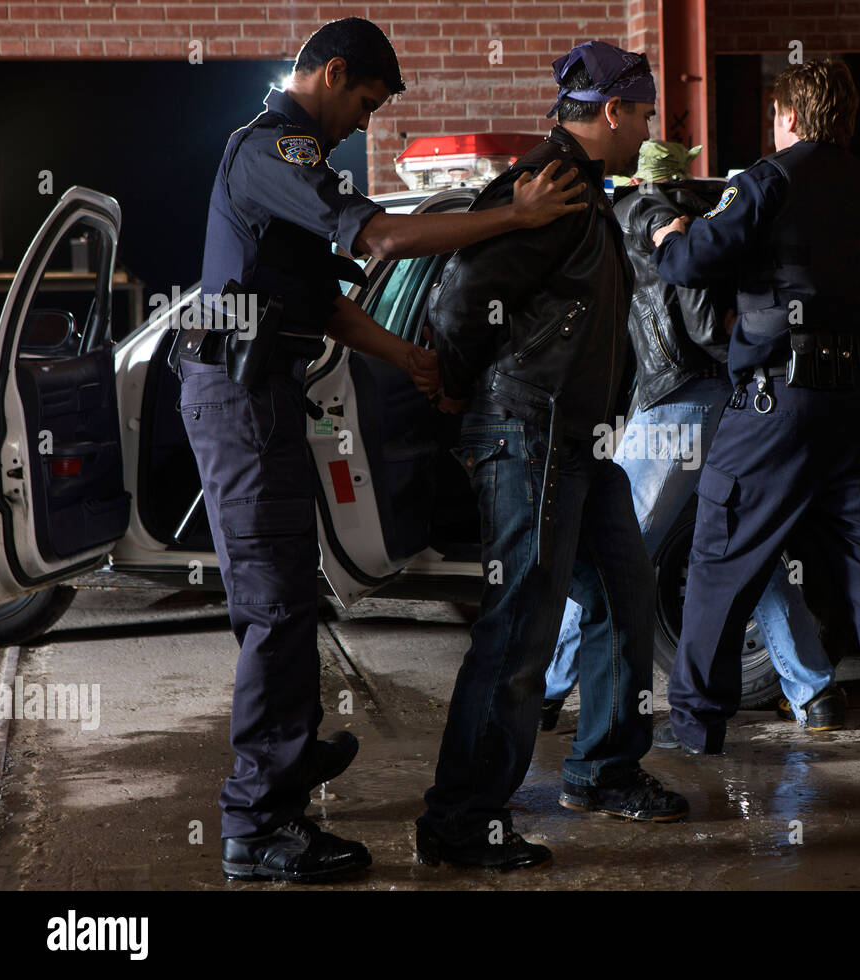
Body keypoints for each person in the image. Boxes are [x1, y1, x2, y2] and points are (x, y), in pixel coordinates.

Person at [180, 16, 585, 883]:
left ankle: (283, 760)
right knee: (277, 612)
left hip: (265, 392)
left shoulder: (293, 163)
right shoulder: (270, 151)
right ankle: (258, 825)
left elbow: (320, 305)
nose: (364, 123)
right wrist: (509, 217)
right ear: (330, 74)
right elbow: (383, 236)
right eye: (364, 103)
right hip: (239, 397)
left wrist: (409, 357)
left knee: (291, 599)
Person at [421, 41, 688, 873]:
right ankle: (461, 819)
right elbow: (464, 296)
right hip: (530, 432)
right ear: (614, 112)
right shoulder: (548, 188)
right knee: (519, 629)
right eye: (643, 112)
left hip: (580, 441)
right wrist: (463, 388)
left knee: (623, 593)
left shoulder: (581, 190)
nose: (647, 127)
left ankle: (604, 770)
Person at [647, 60, 860, 768]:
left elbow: (693, 263)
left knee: (721, 560)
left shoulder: (767, 180)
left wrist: (667, 236)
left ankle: (696, 728)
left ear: (787, 117)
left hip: (776, 410)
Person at [539, 139, 845, 734]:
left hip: (674, 405)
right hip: (733, 403)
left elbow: (696, 313)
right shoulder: (711, 215)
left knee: (612, 550)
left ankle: (545, 691)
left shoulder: (641, 211)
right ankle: (815, 694)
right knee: (749, 553)